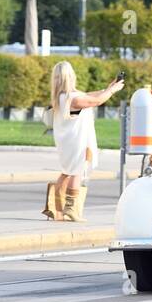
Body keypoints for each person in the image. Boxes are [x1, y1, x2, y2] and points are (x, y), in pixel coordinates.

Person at [50, 60, 122, 222]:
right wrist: (112, 91)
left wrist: (109, 89)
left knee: (67, 171)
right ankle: (71, 209)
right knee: (77, 171)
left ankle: (57, 208)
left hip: (66, 141)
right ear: (70, 77)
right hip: (77, 141)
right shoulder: (73, 99)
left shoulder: (62, 97)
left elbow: (90, 96)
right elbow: (95, 101)